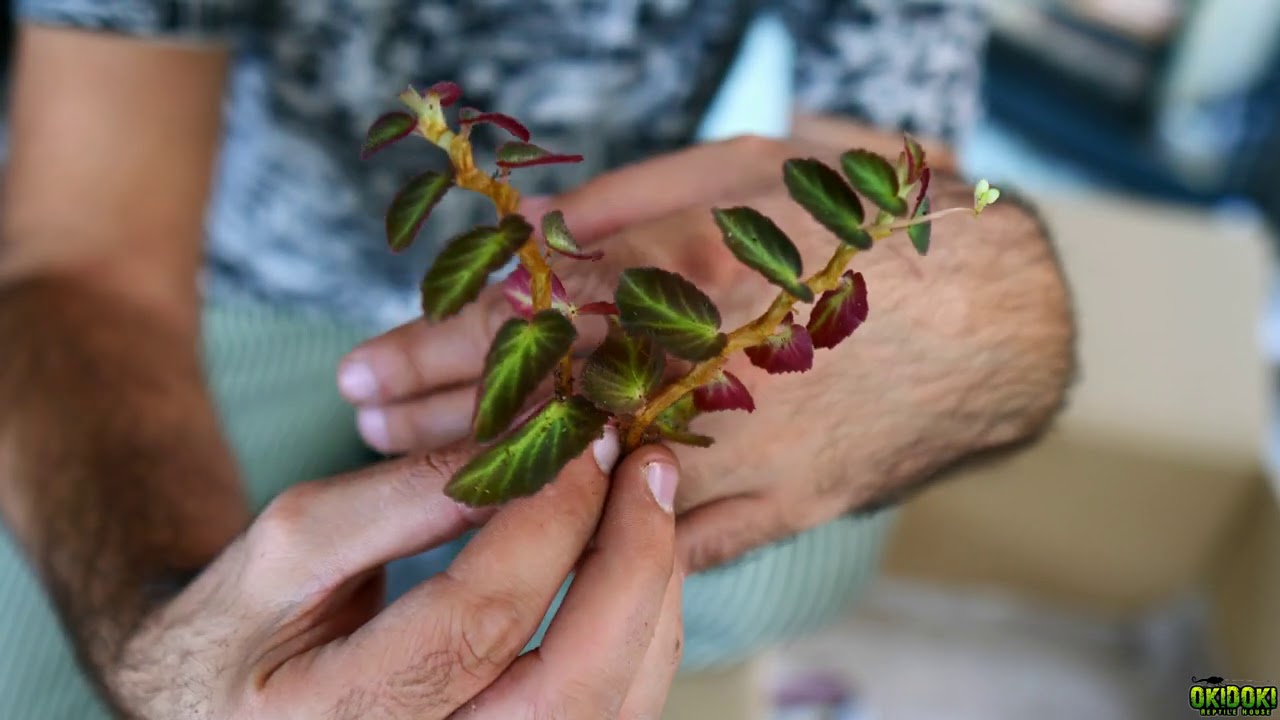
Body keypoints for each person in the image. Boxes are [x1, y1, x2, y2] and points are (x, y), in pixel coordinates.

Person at [0, 1, 1074, 718]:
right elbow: (79, 253)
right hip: (204, 292)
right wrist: (167, 655)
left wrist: (996, 306)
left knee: (802, 539)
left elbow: (900, 189)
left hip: (569, 304)